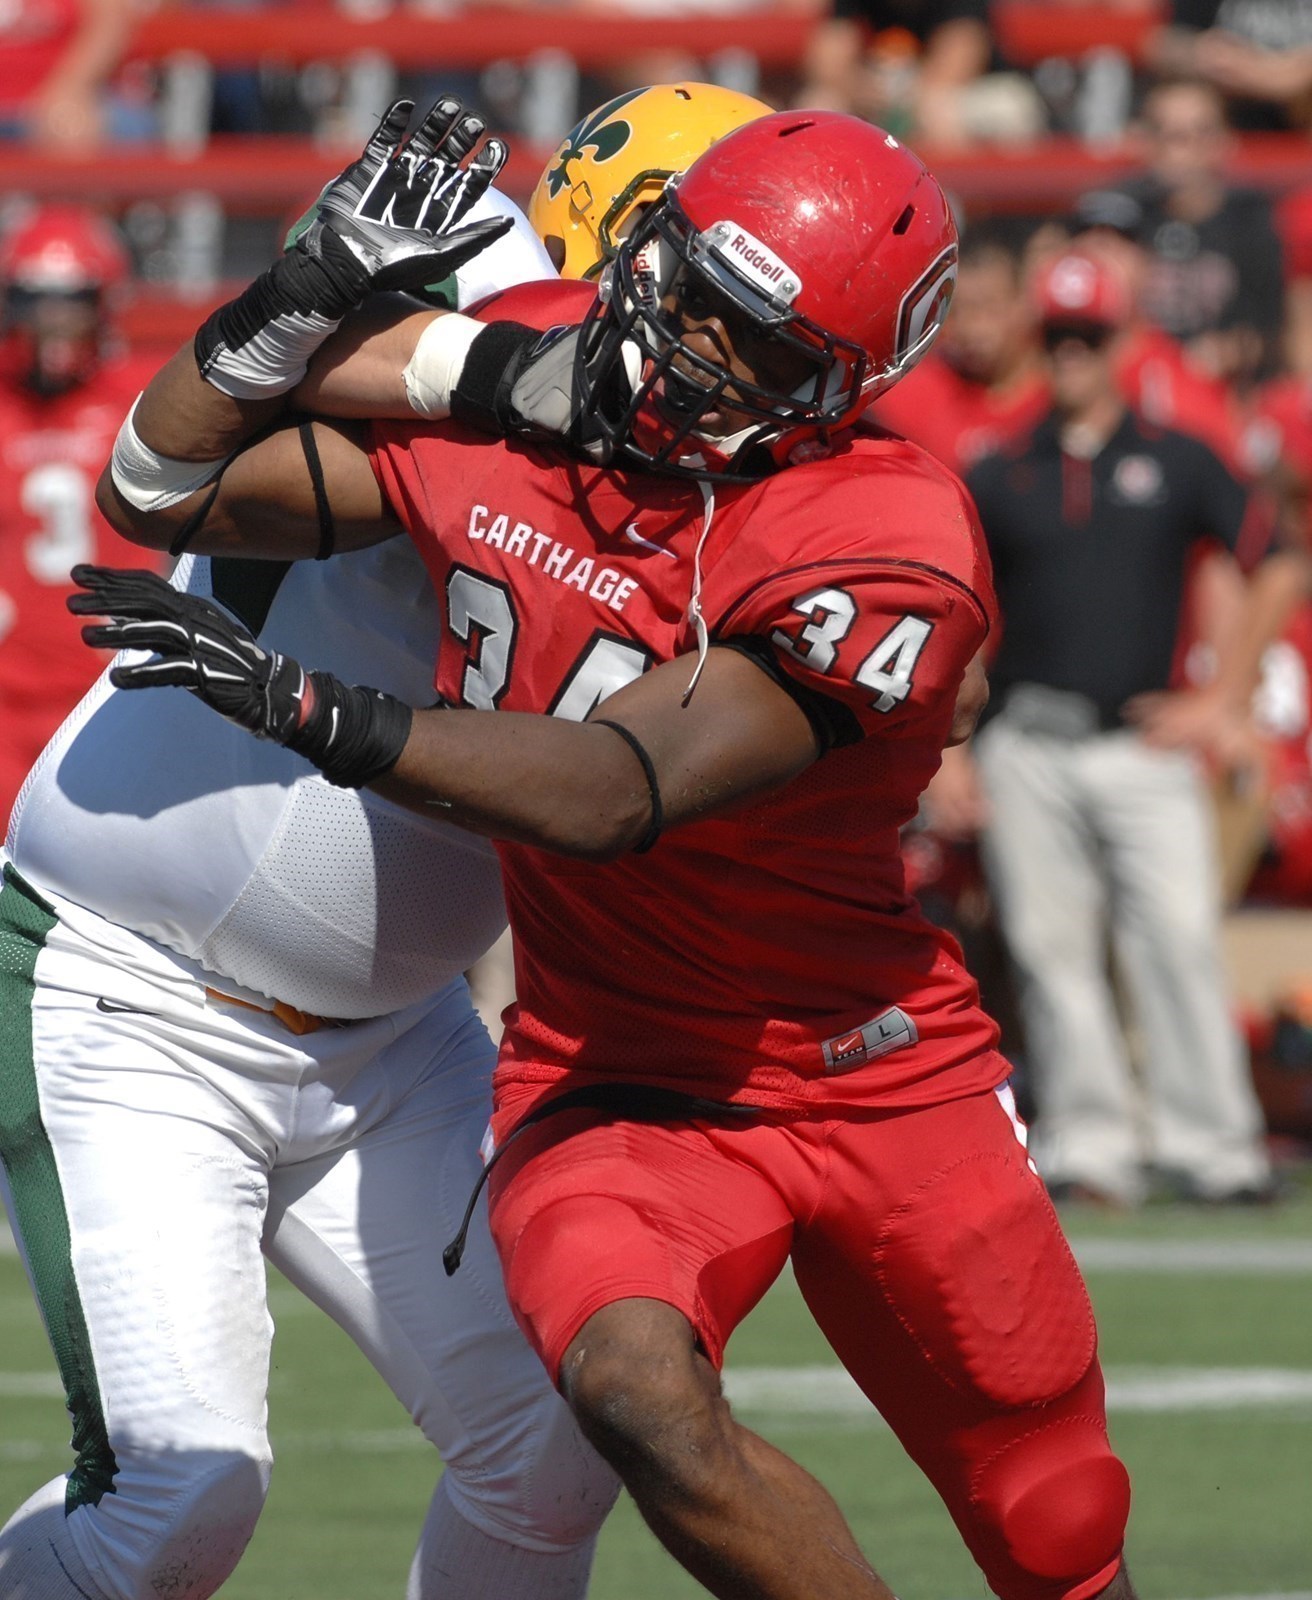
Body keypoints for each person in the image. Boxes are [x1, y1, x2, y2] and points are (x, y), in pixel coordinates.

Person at [77, 107, 1141, 1600]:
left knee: (1054, 1515)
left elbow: (613, 788)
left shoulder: (882, 525)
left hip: (872, 1060)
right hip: (612, 1069)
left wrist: (312, 705)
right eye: (693, 286)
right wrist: (330, 304)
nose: (693, 345)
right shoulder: (530, 361)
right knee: (629, 1397)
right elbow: (157, 486)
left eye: (756, 343)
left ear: (842, 388)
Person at [0, 101, 624, 1600]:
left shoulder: (738, 471)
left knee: (556, 1447)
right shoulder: (493, 283)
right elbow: (205, 431)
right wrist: (467, 354)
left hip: (394, 1040)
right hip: (134, 998)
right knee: (177, 1509)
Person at [945, 248, 1299, 1208]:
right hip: (1027, 740)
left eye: (1087, 339)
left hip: (1141, 740)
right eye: (1057, 340)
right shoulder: (998, 466)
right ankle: (1092, 1144)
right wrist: (954, 748)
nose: (1071, 358)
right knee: (1051, 948)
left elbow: (1274, 557)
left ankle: (1214, 1146)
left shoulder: (1180, 455)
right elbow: (956, 611)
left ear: (1118, 343)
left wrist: (1223, 697)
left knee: (1178, 937)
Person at [0, 204, 163, 833]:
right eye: (36, 301)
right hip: (9, 688)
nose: (52, 322)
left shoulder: (143, 400)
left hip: (112, 685)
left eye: (69, 300)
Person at [1094, 75, 1285, 390]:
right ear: (1146, 141)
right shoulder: (1117, 217)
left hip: (1222, 391)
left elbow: (1269, 332)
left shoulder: (1250, 220)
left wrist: (1227, 352)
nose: (1182, 150)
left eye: (1198, 134)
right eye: (1169, 134)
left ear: (1224, 141)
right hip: (1129, 386)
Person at [869, 216, 1049, 474]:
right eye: (957, 312)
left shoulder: (1061, 395)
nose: (970, 328)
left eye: (986, 308)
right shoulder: (918, 391)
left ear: (1025, 304)